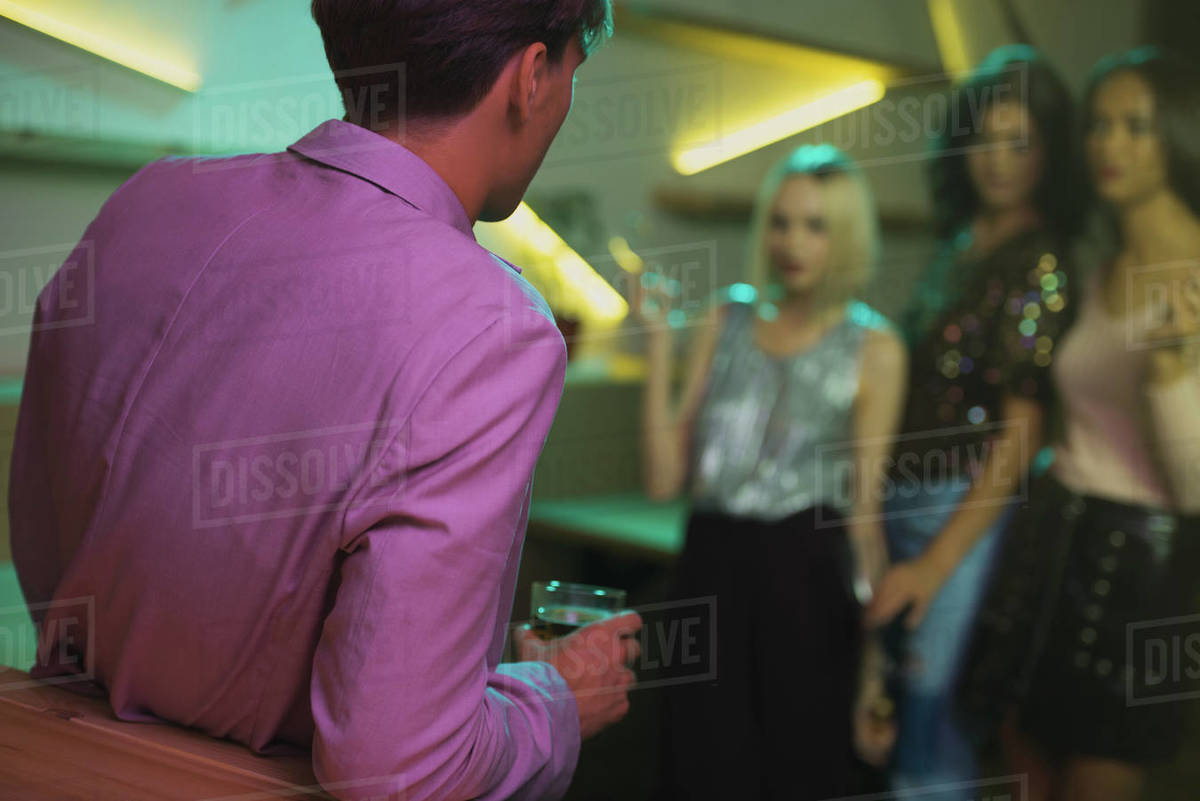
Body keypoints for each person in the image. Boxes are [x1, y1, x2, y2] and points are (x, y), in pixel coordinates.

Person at [8, 3, 642, 800]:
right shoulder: (493, 326)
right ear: (532, 77)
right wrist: (554, 700)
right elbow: (401, 766)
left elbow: (44, 533)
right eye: (573, 76)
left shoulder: (148, 202)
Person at [958, 47, 1200, 801]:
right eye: (1098, 126)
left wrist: (1170, 369)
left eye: (1136, 125)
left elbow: (1196, 488)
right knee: (1018, 769)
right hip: (1051, 541)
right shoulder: (1097, 267)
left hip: (1142, 568)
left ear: (1178, 136)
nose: (1109, 144)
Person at [639, 144, 908, 800]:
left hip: (808, 579)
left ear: (845, 237)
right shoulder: (724, 317)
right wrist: (658, 347)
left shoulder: (874, 347)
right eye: (781, 221)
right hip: (709, 568)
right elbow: (662, 480)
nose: (793, 241)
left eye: (816, 225)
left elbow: (866, 517)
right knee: (698, 767)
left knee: (796, 769)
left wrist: (874, 675)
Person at [862, 46, 1082, 799]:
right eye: (987, 136)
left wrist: (935, 562)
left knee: (933, 729)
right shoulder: (958, 244)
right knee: (896, 721)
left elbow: (1022, 434)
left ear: (1050, 155)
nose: (999, 159)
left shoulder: (1040, 261)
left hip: (964, 514)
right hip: (905, 499)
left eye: (1020, 141)